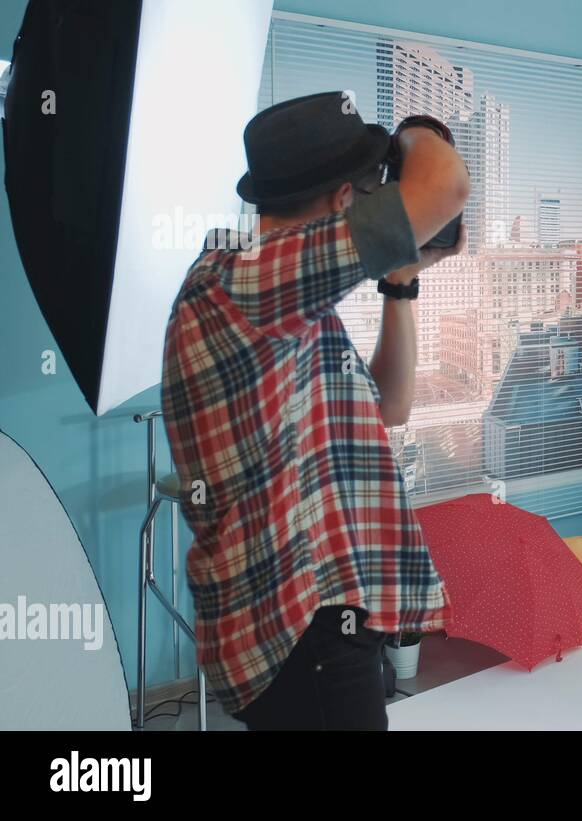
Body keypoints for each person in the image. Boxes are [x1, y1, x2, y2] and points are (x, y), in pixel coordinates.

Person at [160, 91, 470, 730]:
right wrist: (413, 134)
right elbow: (447, 184)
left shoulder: (284, 303)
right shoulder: (244, 283)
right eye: (368, 193)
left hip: (315, 623)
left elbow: (391, 403)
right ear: (341, 200)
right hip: (300, 628)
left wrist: (400, 282)